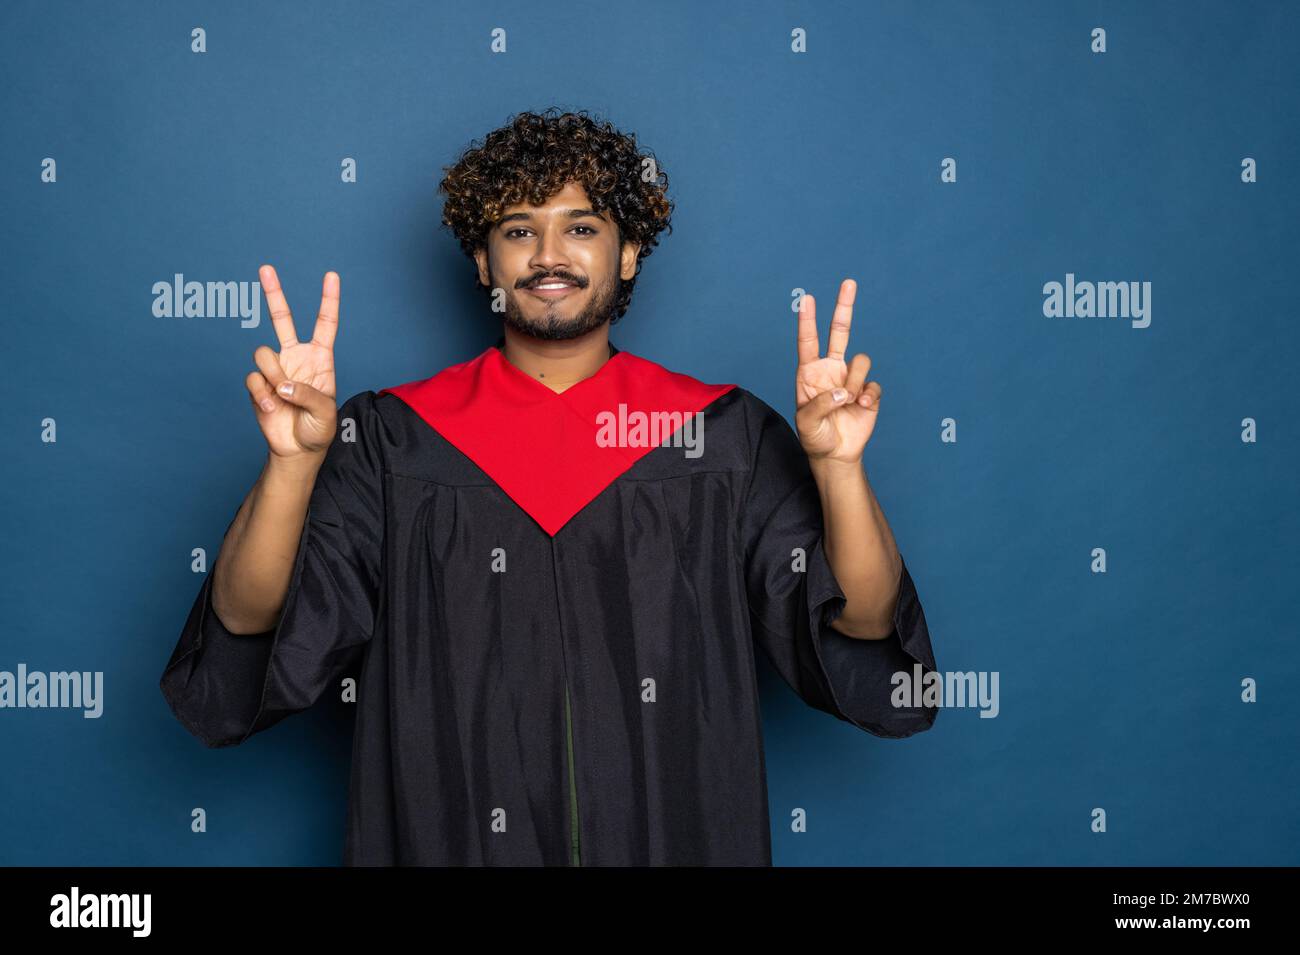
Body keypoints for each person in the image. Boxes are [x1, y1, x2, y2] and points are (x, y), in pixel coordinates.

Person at [160, 108, 939, 866]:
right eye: (518, 228)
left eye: (582, 226)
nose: (549, 253)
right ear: (483, 261)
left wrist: (839, 469)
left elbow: (864, 627)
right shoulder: (393, 441)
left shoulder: (721, 437)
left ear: (628, 251)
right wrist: (293, 465)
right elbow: (249, 619)